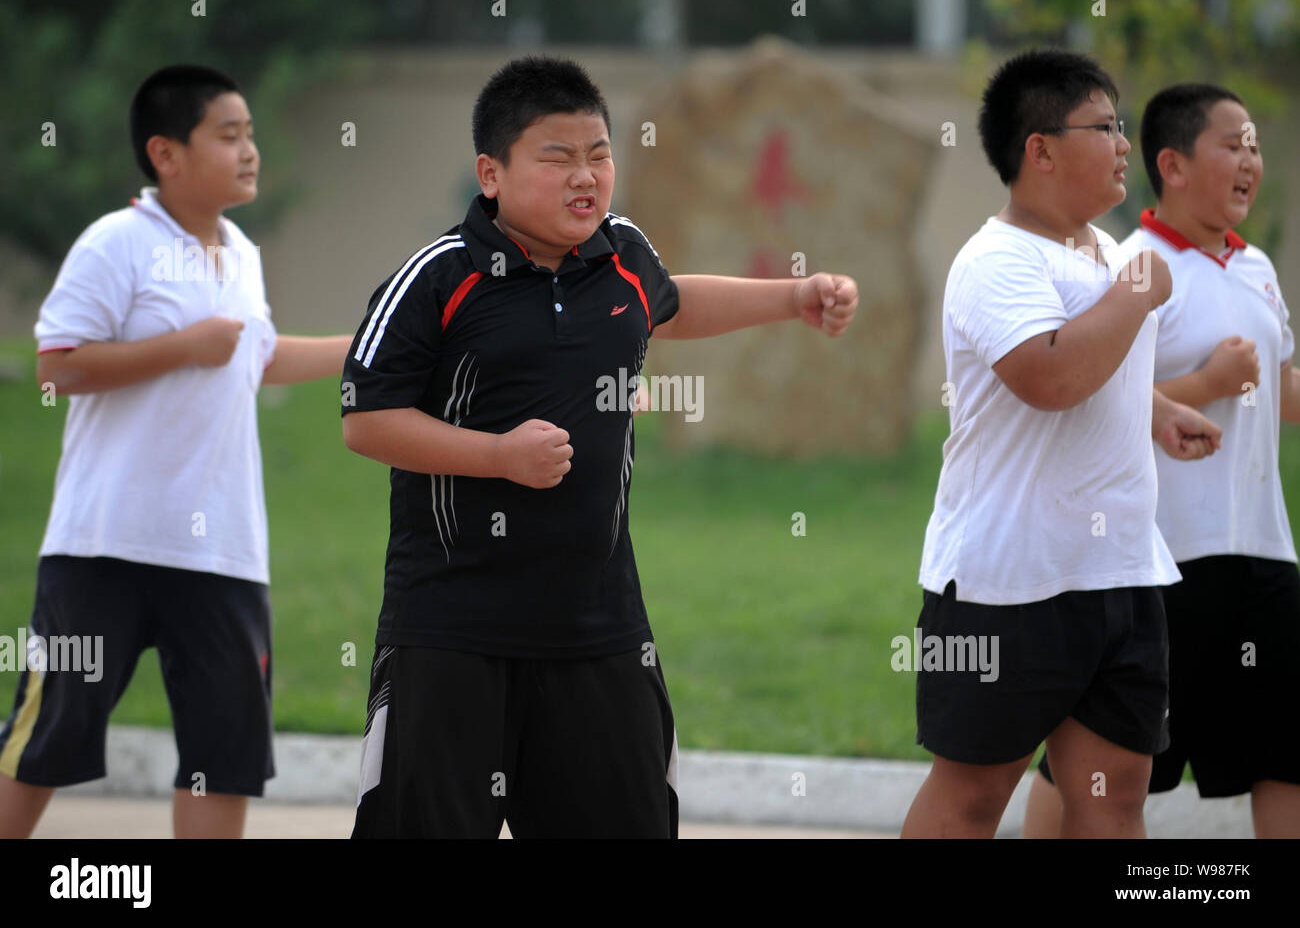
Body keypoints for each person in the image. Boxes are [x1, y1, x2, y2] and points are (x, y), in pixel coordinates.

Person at [342, 55, 859, 838]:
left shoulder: (620, 252)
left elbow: (670, 306)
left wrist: (793, 297)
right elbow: (365, 421)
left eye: (599, 154)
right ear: (492, 173)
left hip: (599, 628)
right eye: (557, 158)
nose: (585, 176)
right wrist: (497, 456)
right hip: (450, 628)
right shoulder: (435, 278)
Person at [0, 64, 352, 839]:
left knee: (222, 755)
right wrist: (181, 348)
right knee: (45, 739)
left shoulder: (242, 252)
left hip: (224, 555)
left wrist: (366, 349)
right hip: (104, 546)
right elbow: (55, 367)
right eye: (229, 135)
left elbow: (256, 358)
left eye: (250, 134)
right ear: (166, 153)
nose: (250, 150)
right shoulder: (116, 243)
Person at [902, 49, 1222, 839]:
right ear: (1039, 149)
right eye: (1105, 126)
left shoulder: (1108, 253)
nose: (1124, 145)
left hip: (1119, 574)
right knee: (973, 796)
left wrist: (1153, 410)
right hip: (1004, 583)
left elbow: (1090, 360)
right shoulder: (995, 260)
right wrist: (1140, 291)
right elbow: (1048, 376)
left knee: (1112, 800)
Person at [1024, 84, 1300, 838]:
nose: (1251, 161)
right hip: (1160, 558)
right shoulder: (1132, 268)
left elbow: (1280, 391)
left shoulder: (1258, 268)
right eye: (1232, 145)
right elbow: (1095, 396)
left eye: (1255, 146)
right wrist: (1208, 385)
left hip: (1265, 550)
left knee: (1285, 753)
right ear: (1172, 164)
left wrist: (1247, 384)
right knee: (1105, 760)